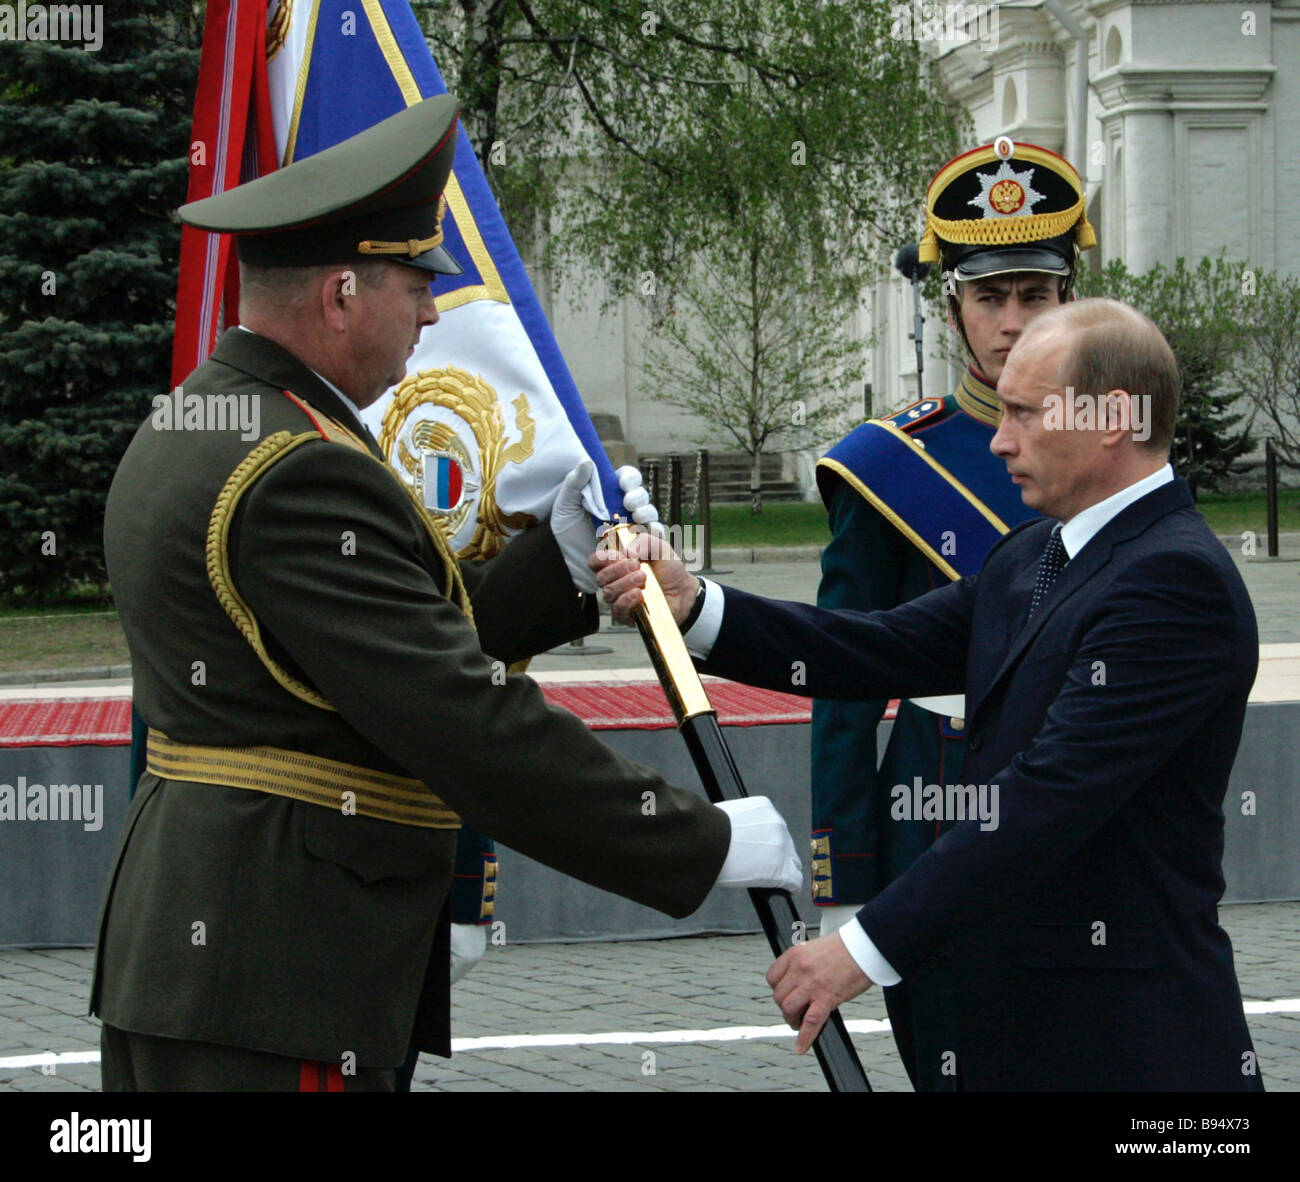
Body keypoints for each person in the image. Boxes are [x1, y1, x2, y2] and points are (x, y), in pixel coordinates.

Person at [92, 95, 801, 1092]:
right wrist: (697, 838)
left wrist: (556, 560)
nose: (432, 311)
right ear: (342, 293)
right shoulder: (300, 467)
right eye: (415, 283)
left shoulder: (214, 421)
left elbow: (360, 653)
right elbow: (459, 718)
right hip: (282, 974)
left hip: (219, 960)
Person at [596, 298, 1263, 1091]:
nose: (1001, 439)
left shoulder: (1174, 581)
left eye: (1024, 412)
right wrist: (696, 605)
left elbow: (1047, 796)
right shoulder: (1036, 554)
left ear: (1113, 417)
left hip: (1130, 1049)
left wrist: (862, 947)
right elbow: (876, 647)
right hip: (1019, 1033)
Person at [810, 140, 1094, 1090]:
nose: (1012, 322)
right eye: (989, 297)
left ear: (1069, 299)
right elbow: (843, 680)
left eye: (1034, 294)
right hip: (938, 800)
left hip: (1094, 803)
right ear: (952, 306)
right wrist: (841, 871)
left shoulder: (1117, 451)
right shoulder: (888, 465)